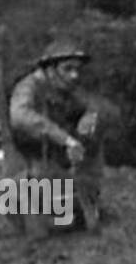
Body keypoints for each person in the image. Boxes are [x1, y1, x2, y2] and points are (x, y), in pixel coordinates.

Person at [8, 38, 115, 230]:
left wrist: (90, 116)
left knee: (91, 142)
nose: (74, 75)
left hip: (52, 158)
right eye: (67, 69)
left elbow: (97, 106)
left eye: (77, 70)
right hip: (22, 159)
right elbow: (21, 117)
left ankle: (84, 202)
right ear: (50, 69)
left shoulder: (66, 89)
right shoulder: (28, 87)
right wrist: (65, 139)